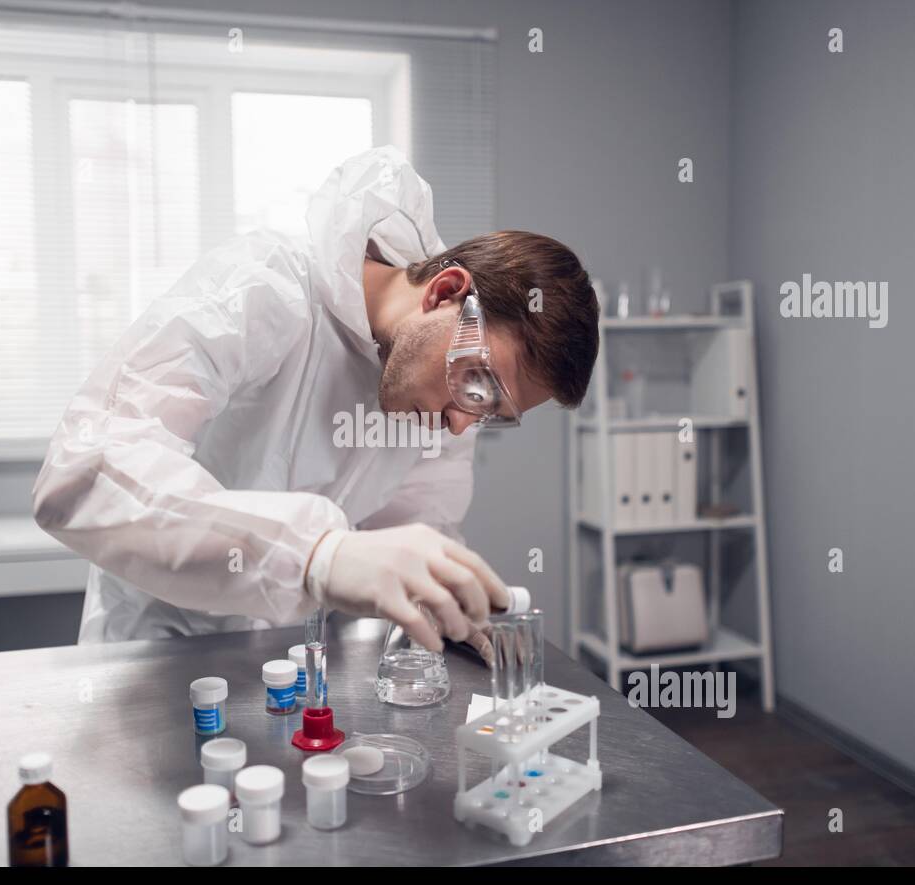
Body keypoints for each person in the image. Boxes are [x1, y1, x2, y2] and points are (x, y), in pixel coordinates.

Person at [32, 146, 598, 658]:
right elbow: (86, 471)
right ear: (445, 293)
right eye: (477, 383)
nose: (459, 425)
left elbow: (415, 525)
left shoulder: (445, 403)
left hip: (286, 664)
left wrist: (446, 601)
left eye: (490, 412)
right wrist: (315, 556)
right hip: (151, 651)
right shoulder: (263, 289)